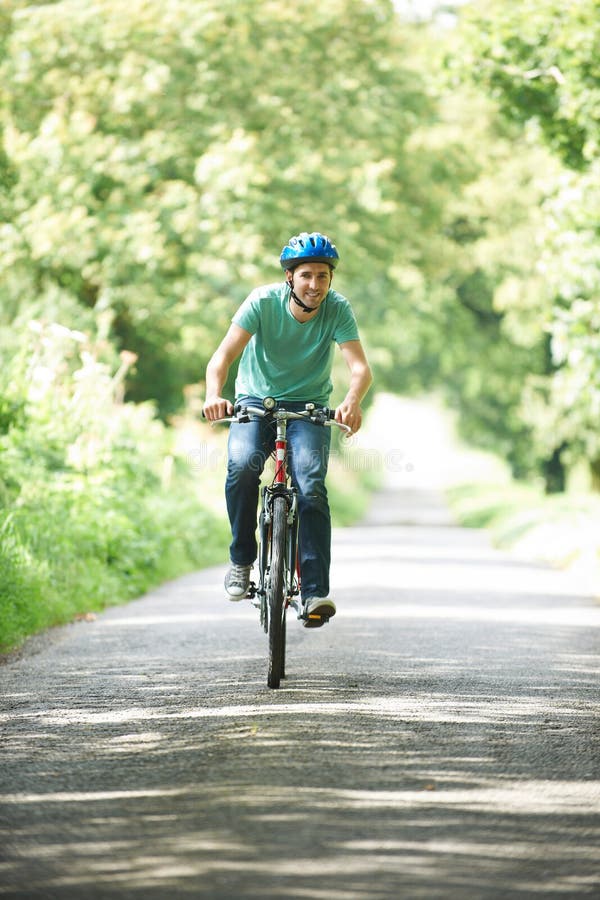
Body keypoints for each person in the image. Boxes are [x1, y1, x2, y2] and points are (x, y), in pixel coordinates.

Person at [202, 231, 372, 627]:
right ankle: (242, 561)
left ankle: (314, 591)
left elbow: (360, 368)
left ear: (330, 280)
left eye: (323, 277)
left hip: (309, 409)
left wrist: (351, 401)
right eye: (307, 275)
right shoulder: (262, 302)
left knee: (310, 486)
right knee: (243, 466)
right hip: (254, 403)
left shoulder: (338, 309)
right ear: (290, 278)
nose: (315, 285)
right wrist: (214, 394)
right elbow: (222, 357)